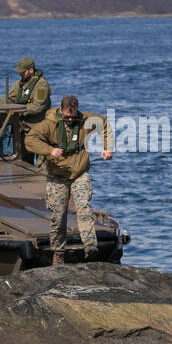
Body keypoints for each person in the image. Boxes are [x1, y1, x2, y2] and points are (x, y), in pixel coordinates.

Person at [25, 94, 113, 265]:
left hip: (79, 172)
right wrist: (49, 150)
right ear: (61, 111)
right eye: (67, 117)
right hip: (57, 174)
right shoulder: (49, 124)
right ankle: (58, 253)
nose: (71, 119)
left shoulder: (85, 120)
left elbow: (104, 124)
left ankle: (90, 245)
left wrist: (107, 148)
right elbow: (30, 140)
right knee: (58, 216)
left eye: (73, 116)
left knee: (84, 207)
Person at [5, 56, 51, 162]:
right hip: (24, 131)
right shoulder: (19, 84)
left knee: (42, 163)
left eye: (22, 72)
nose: (20, 74)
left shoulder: (42, 85)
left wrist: (18, 109)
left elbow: (37, 107)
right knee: (24, 162)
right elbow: (10, 100)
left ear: (31, 70)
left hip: (39, 131)